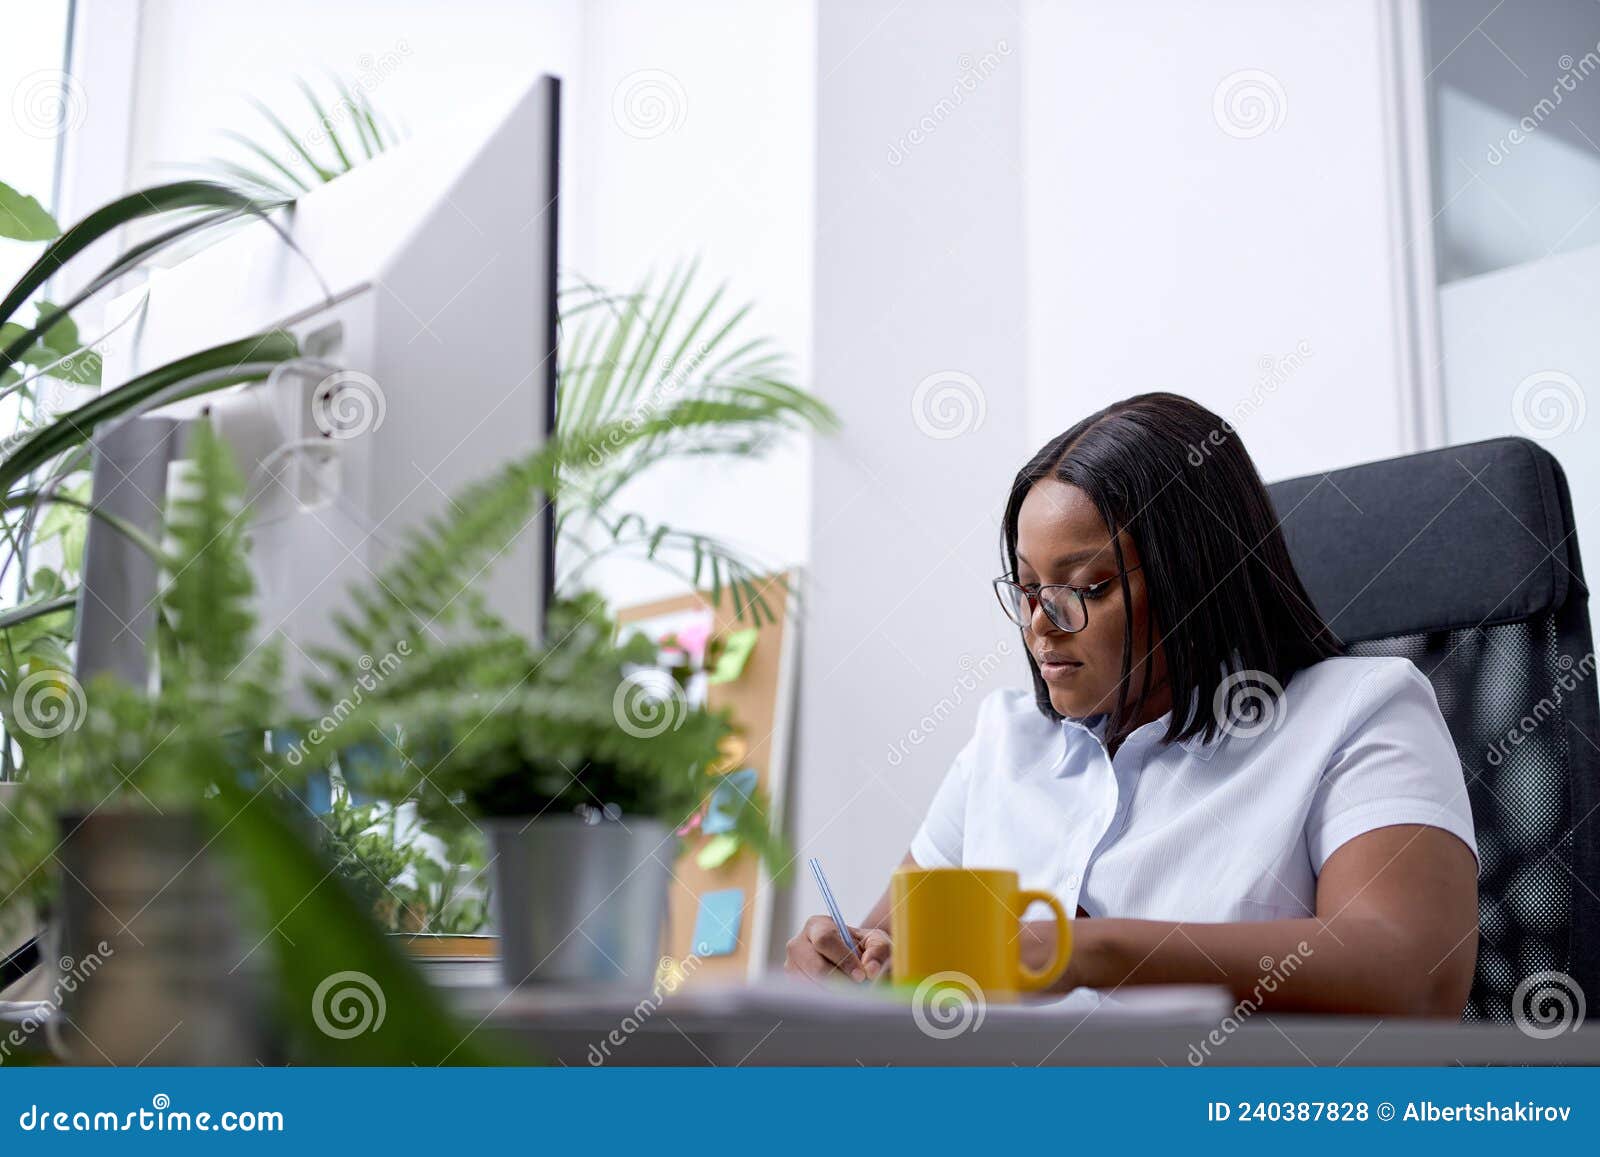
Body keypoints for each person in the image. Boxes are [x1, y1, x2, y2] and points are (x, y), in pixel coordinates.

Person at [786, 392, 1480, 1016]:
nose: (1040, 623)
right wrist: (847, 960)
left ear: (1193, 581)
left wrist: (1082, 950)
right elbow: (886, 946)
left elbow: (1413, 973)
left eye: (1083, 587)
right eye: (1027, 588)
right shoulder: (1004, 740)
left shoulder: (1360, 711)